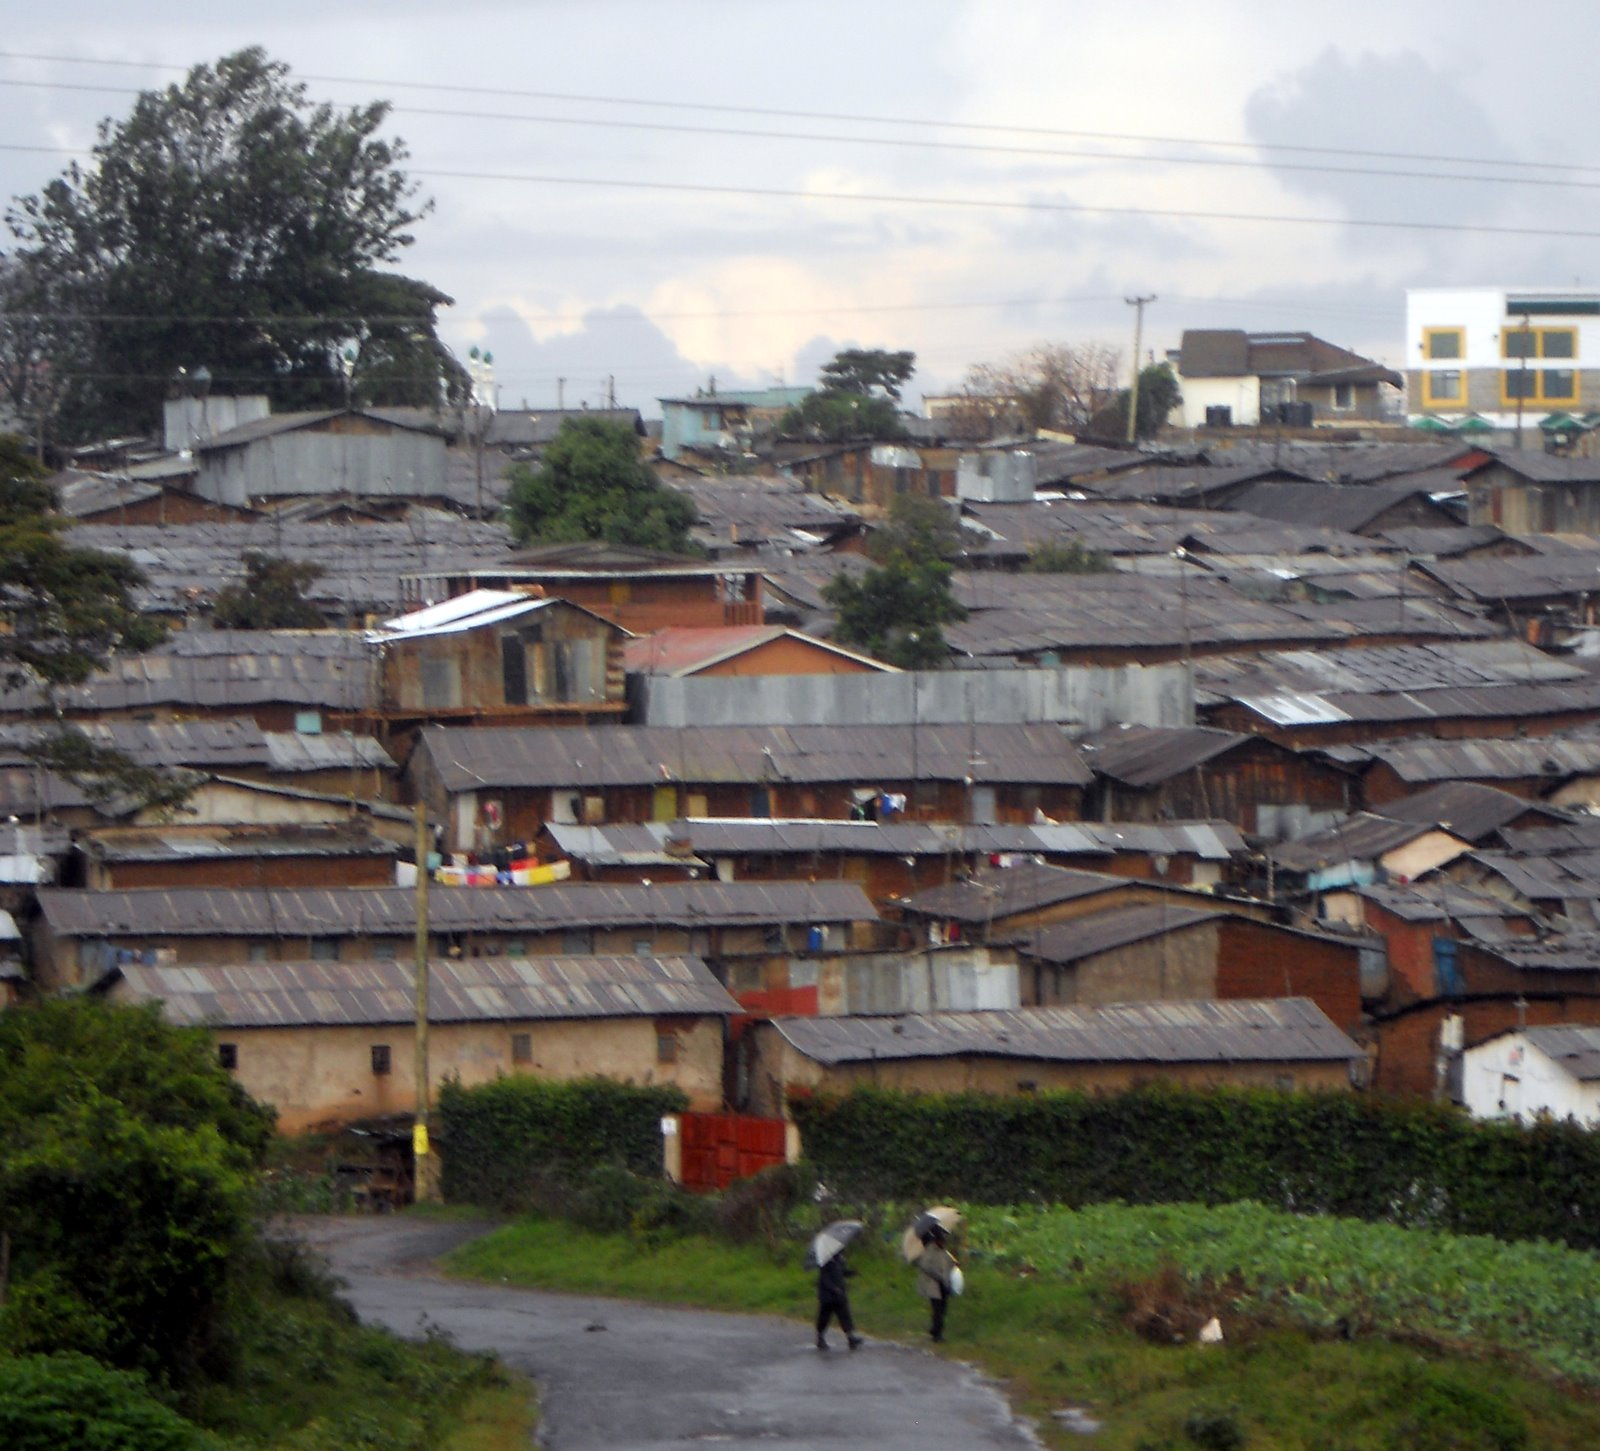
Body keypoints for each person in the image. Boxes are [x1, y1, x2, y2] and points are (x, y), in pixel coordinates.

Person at [914, 1224, 958, 1343]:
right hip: (933, 1285)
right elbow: (925, 1266)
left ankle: (935, 1330)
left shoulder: (944, 1251)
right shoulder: (930, 1250)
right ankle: (937, 1334)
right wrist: (938, 1275)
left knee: (943, 1309)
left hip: (944, 1284)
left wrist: (953, 1264)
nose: (943, 1242)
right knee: (938, 1310)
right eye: (942, 1240)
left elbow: (948, 1265)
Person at [816, 1247, 863, 1351]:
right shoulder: (824, 1262)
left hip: (839, 1295)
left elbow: (841, 1272)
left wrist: (852, 1272)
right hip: (828, 1296)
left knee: (845, 1316)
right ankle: (820, 1338)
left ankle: (851, 1338)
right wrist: (834, 1288)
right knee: (824, 1317)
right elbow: (824, 1279)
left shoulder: (839, 1260)